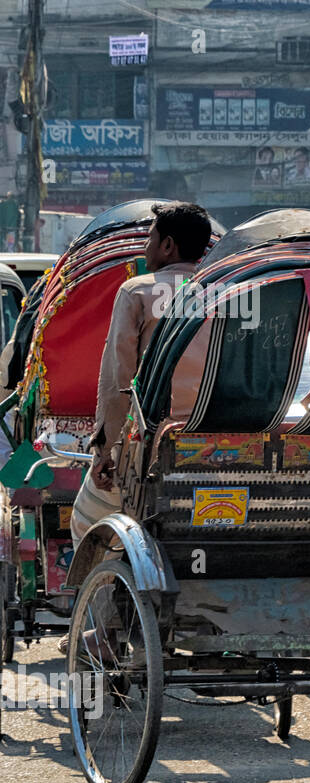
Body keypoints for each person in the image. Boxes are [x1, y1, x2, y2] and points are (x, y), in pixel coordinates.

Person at [70, 202, 213, 547]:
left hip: (151, 450)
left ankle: (103, 597)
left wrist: (104, 453)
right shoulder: (228, 292)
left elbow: (118, 381)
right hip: (215, 444)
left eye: (150, 239)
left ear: (168, 246)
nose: (146, 247)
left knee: (84, 525)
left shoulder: (137, 291)